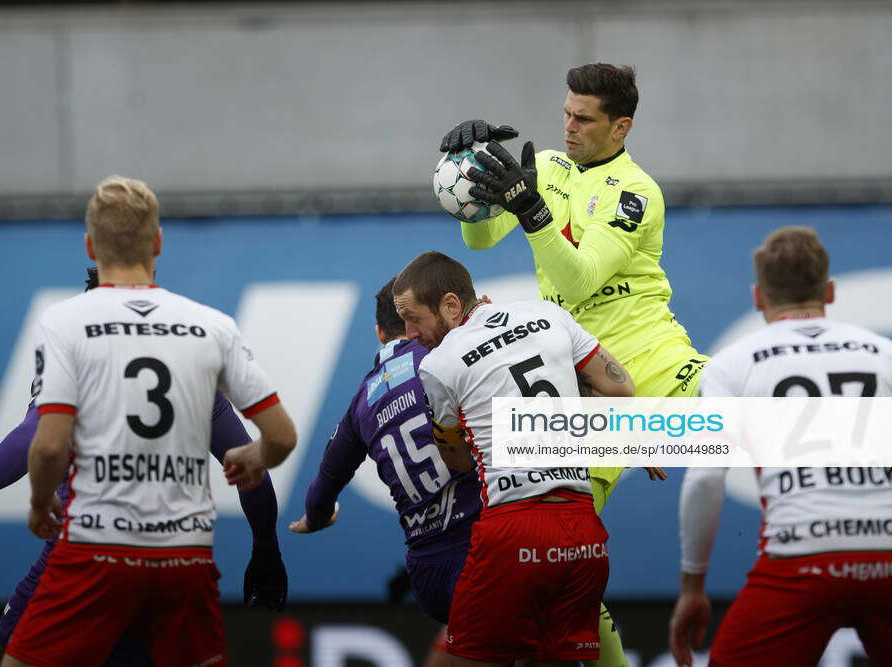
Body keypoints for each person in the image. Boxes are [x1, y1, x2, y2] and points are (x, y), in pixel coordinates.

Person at [0, 265, 288, 667]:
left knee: (3, 659)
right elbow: (252, 469)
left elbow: (35, 436)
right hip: (171, 557)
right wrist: (266, 547)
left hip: (88, 552)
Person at [0, 176, 296, 667]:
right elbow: (282, 436)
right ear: (157, 242)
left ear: (91, 246)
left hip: (96, 549)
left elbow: (49, 447)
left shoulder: (64, 323)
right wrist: (254, 455)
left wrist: (39, 502)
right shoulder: (212, 325)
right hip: (183, 555)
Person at [441, 63, 707, 508]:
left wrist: (532, 212)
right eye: (566, 113)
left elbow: (579, 281)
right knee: (567, 522)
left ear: (621, 127)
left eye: (583, 119)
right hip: (585, 379)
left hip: (653, 356)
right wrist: (470, 181)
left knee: (773, 417)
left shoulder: (635, 190)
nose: (568, 127)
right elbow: (481, 239)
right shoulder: (545, 167)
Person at [393, 251, 633, 666]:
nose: (410, 334)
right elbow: (622, 389)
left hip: (514, 532)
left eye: (415, 318)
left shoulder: (438, 364)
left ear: (451, 305)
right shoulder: (548, 315)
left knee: (456, 660)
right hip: (584, 532)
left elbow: (460, 462)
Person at [668, 226, 892, 667]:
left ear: (758, 297)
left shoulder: (735, 362)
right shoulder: (882, 353)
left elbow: (704, 481)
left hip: (800, 558)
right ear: (828, 291)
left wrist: (693, 587)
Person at [289, 278, 482, 627]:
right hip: (483, 546)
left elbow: (322, 487)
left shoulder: (361, 403)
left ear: (380, 332)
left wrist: (315, 518)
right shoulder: (446, 355)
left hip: (429, 574)